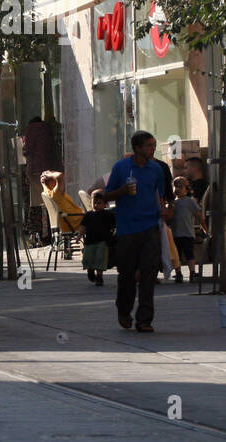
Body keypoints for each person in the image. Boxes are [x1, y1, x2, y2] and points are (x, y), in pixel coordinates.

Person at [104, 130, 175, 332]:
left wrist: (167, 211)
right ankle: (124, 310)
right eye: (149, 145)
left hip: (150, 226)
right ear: (138, 148)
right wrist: (123, 191)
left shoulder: (156, 169)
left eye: (153, 145)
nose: (153, 149)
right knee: (126, 274)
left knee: (149, 273)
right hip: (127, 228)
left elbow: (161, 196)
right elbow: (107, 195)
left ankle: (144, 319)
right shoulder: (121, 167)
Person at [171, 176, 204, 283]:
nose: (178, 189)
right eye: (175, 186)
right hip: (175, 234)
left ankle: (192, 272)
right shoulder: (172, 203)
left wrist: (205, 228)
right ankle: (178, 273)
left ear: (187, 188)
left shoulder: (190, 201)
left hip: (187, 233)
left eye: (181, 186)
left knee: (189, 253)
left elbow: (199, 215)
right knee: (177, 255)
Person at [80, 191, 116, 287]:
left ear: (104, 204)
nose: (96, 205)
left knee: (100, 259)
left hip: (103, 242)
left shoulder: (108, 215)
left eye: (99, 202)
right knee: (88, 258)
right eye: (94, 202)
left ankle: (99, 277)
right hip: (90, 242)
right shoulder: (88, 215)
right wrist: (79, 235)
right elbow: (83, 226)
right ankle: (90, 270)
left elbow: (114, 225)